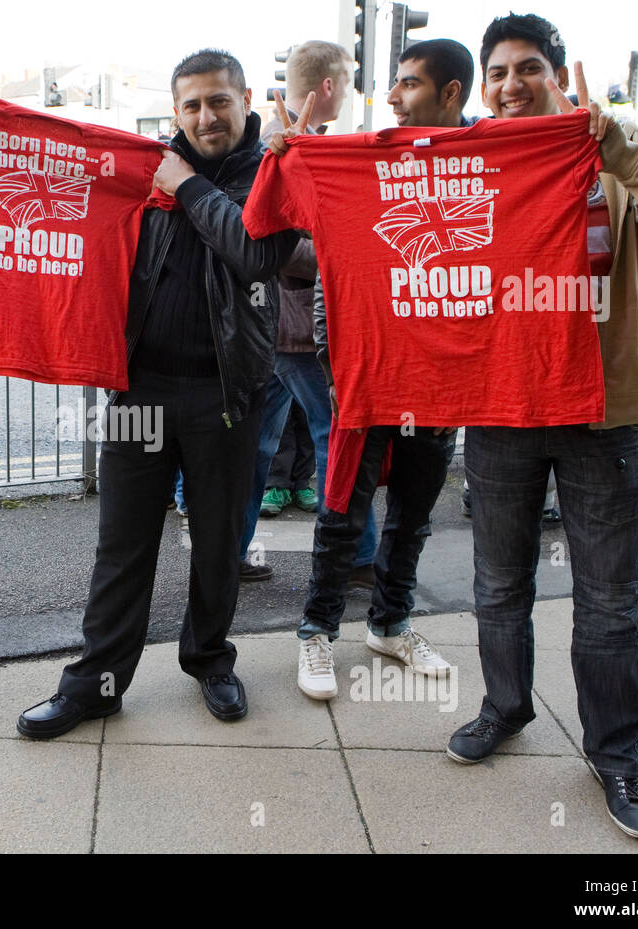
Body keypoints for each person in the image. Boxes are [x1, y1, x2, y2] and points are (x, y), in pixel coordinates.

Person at [446, 13, 638, 840]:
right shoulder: (467, 165)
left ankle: (617, 757)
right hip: (501, 412)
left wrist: (618, 147)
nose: (513, 84)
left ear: (558, 72)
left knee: (608, 602)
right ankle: (504, 709)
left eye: (529, 68)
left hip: (602, 414)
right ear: (484, 86)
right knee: (497, 586)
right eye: (498, 71)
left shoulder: (615, 147)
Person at [14, 49, 297, 739]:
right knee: (123, 545)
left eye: (218, 101)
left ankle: (209, 660)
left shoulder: (275, 173)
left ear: (245, 99)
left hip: (225, 393)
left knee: (218, 543)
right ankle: (96, 685)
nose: (206, 116)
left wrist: (189, 186)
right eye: (193, 105)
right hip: (139, 389)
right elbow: (36, 169)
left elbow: (255, 251)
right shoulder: (140, 170)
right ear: (176, 111)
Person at [274, 38, 473, 701]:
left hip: (441, 384)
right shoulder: (371, 163)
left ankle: (390, 624)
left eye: (408, 84)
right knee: (340, 514)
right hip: (369, 376)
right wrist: (339, 362)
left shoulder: (487, 165)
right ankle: (317, 633)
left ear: (450, 93)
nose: (390, 97)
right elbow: (331, 262)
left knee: (413, 516)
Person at [238, 40, 378, 585]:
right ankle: (357, 559)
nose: (350, 91)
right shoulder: (279, 143)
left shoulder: (283, 139)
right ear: (326, 87)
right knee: (334, 439)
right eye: (346, 81)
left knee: (260, 448)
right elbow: (263, 235)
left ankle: (228, 557)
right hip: (298, 328)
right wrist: (339, 254)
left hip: (275, 327)